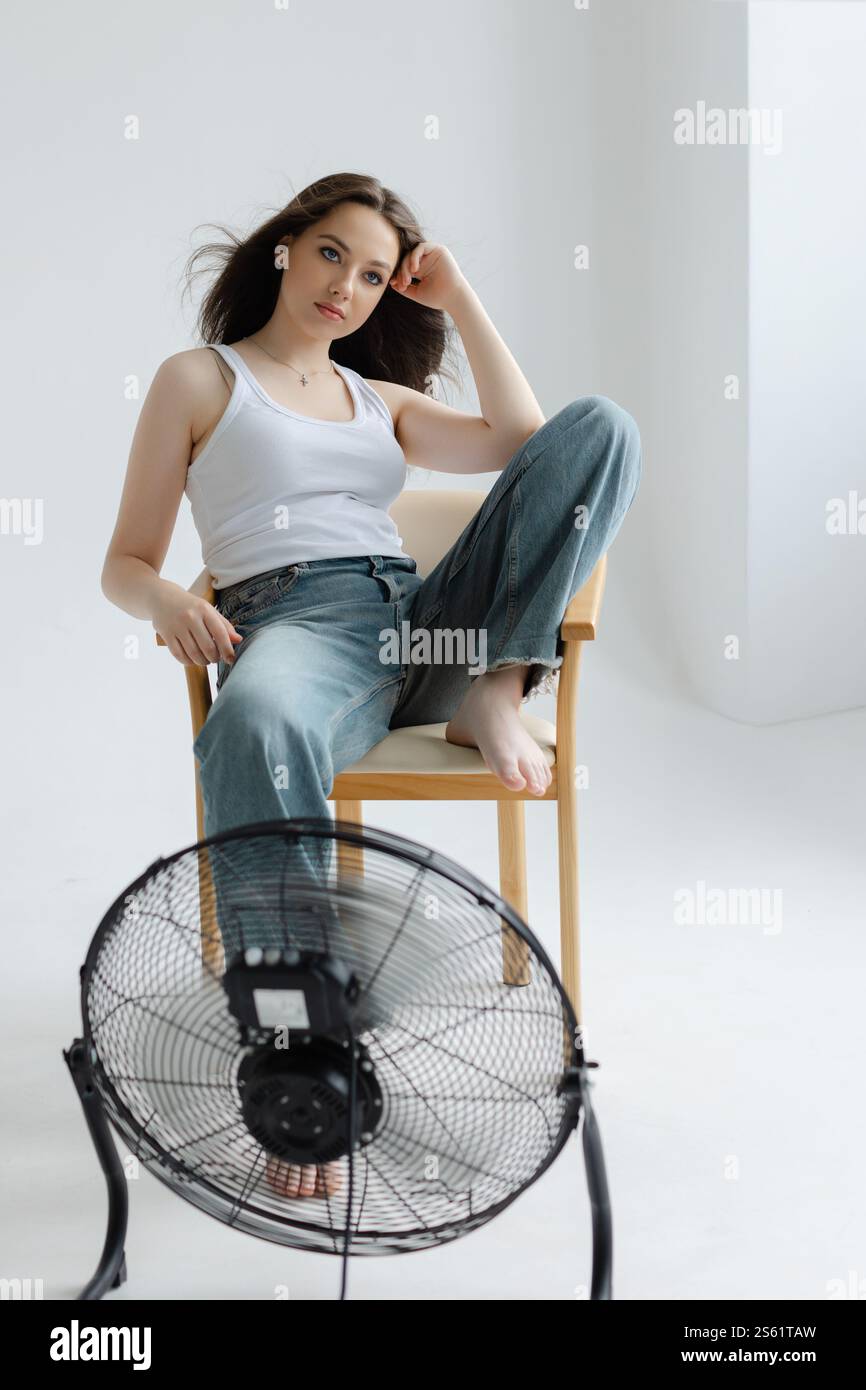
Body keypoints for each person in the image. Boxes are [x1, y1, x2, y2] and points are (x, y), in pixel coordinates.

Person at [101, 171, 642, 1203]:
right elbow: (122, 560)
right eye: (331, 254)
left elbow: (530, 447)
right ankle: (304, 1071)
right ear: (285, 250)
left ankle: (499, 683)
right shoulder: (200, 380)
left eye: (374, 275)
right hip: (300, 627)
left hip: (429, 622)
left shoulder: (380, 401)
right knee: (252, 718)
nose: (346, 285)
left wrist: (460, 297)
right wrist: (167, 598)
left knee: (601, 426)